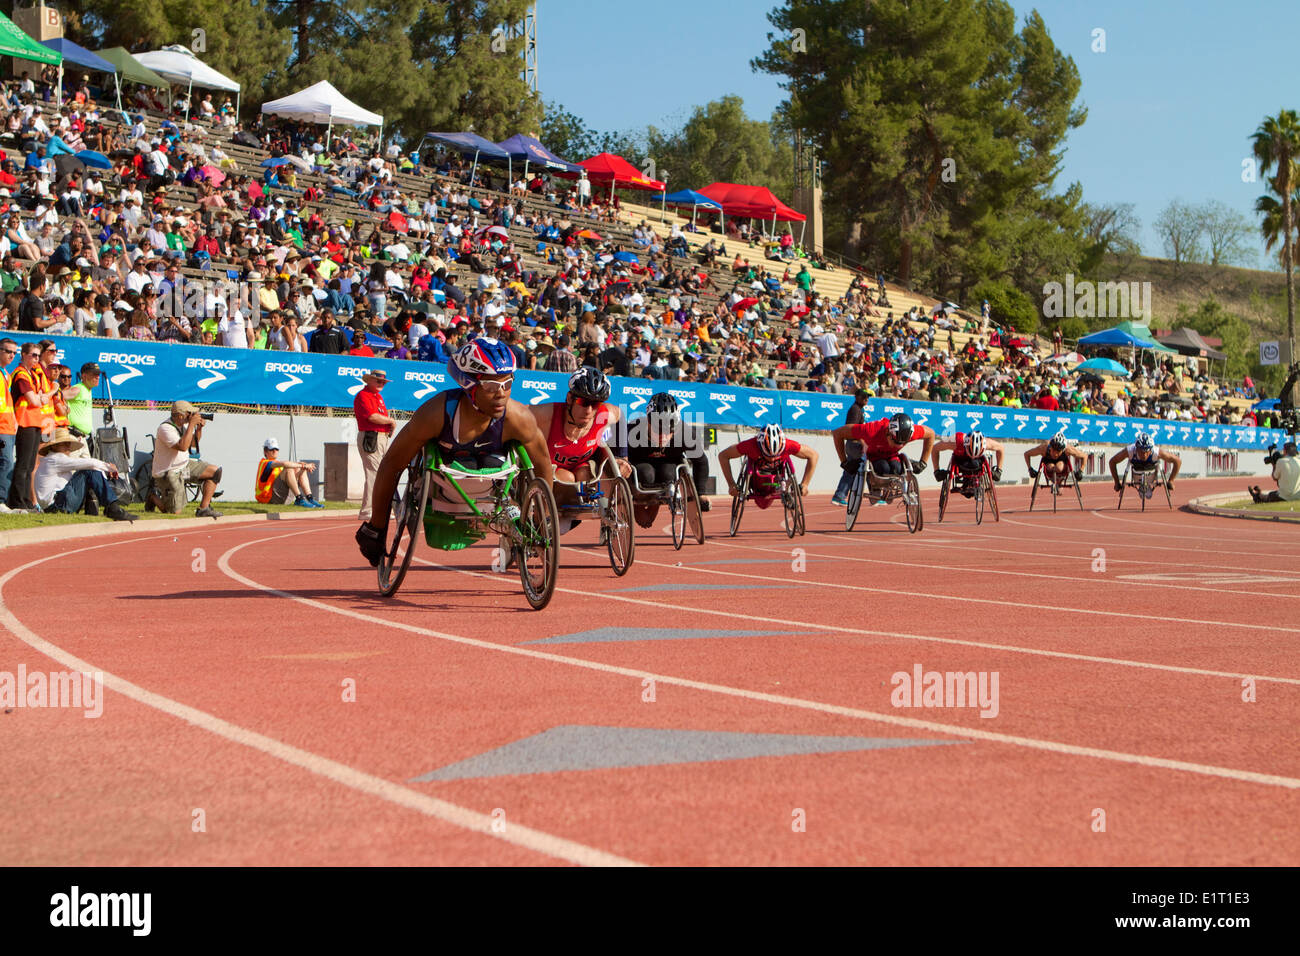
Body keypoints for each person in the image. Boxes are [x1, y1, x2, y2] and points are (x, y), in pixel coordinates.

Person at [355, 339, 555, 567]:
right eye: (490, 386)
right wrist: (377, 527)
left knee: (501, 461)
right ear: (468, 384)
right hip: (444, 483)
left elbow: (542, 462)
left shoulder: (518, 418)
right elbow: (392, 464)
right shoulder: (436, 413)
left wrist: (543, 518)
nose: (501, 394)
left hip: (493, 480)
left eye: (507, 383)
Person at [626, 392, 712, 527]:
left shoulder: (685, 433)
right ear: (648, 422)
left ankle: (657, 499)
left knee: (668, 473)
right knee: (646, 474)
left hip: (668, 466)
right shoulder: (632, 430)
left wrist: (701, 493)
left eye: (668, 431)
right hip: (639, 468)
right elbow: (613, 456)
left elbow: (701, 461)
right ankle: (645, 498)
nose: (663, 436)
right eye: (658, 430)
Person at [33, 427, 135, 520]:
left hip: (57, 504)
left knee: (88, 474)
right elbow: (89, 463)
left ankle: (95, 511)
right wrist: (109, 468)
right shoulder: (55, 459)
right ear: (54, 446)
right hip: (57, 505)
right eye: (64, 443)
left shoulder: (52, 460)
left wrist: (106, 472)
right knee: (88, 472)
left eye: (68, 443)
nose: (68, 446)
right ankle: (112, 508)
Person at [831, 413, 935, 504]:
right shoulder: (871, 430)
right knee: (883, 467)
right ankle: (875, 486)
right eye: (896, 442)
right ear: (889, 434)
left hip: (893, 457)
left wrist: (923, 462)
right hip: (874, 457)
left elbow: (931, 434)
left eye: (902, 443)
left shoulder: (908, 432)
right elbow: (837, 433)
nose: (898, 446)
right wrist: (844, 462)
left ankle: (889, 488)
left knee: (897, 468)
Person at [718, 423, 818, 510]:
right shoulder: (750, 445)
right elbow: (723, 456)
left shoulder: (788, 445)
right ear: (760, 446)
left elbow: (813, 455)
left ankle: (785, 485)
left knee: (783, 473)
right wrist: (731, 484)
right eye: (767, 455)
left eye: (776, 456)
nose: (772, 459)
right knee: (762, 501)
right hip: (757, 481)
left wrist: (805, 484)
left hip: (777, 479)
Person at [150, 400, 223, 517]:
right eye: (189, 413)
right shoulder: (165, 428)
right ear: (180, 415)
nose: (192, 416)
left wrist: (198, 429)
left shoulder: (183, 426)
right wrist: (191, 425)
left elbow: (193, 444)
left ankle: (204, 509)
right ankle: (153, 497)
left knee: (215, 472)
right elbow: (183, 447)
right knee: (173, 513)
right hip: (168, 473)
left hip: (184, 468)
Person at [6, 341, 56, 511]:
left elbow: (41, 397)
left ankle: (26, 500)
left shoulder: (31, 374)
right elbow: (35, 399)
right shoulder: (21, 374)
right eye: (33, 355)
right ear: (24, 355)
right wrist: (40, 397)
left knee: (29, 466)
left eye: (37, 355)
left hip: (35, 422)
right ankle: (17, 501)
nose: (36, 358)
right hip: (24, 422)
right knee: (23, 464)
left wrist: (41, 396)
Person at [353, 369, 395, 523]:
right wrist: (390, 421)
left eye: (383, 382)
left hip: (381, 437)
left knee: (380, 474)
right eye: (378, 381)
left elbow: (379, 416)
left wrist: (388, 423)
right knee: (374, 474)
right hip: (371, 436)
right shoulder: (363, 395)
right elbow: (372, 417)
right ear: (369, 381)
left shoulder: (378, 397)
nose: (381, 384)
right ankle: (368, 510)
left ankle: (376, 509)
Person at [931, 430, 1005, 495]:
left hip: (977, 463)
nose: (972, 457)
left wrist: (999, 470)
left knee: (977, 463)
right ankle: (967, 482)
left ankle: (975, 481)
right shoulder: (956, 441)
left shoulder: (987, 443)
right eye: (971, 454)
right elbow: (935, 448)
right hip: (960, 461)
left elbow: (1001, 448)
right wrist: (936, 471)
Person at [830, 388, 871, 506]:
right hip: (854, 444)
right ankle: (876, 494)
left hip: (853, 444)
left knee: (851, 470)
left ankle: (840, 495)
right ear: (857, 397)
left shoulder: (858, 410)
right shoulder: (855, 410)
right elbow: (851, 429)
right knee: (868, 466)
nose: (866, 399)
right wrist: (862, 442)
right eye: (864, 397)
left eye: (867, 397)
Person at [1109, 431, 1180, 498]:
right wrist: (1117, 482)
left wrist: (1171, 480)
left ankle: (1147, 486)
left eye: (1147, 451)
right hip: (1136, 476)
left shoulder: (1156, 451)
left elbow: (1177, 461)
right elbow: (1112, 461)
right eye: (1141, 451)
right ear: (1136, 448)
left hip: (1151, 476)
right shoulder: (1130, 450)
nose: (1144, 454)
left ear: (1151, 449)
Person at [255, 437, 322, 507]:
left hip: (283, 497)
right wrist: (304, 465)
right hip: (268, 499)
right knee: (289, 469)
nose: (274, 451)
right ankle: (299, 499)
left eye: (276, 449)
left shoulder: (277, 464)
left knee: (300, 468)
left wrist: (304, 465)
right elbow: (285, 464)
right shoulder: (265, 463)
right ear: (265, 451)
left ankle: (310, 498)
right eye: (271, 449)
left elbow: (290, 464)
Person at [0, 337, 17, 510]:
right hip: (2, 428)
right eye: (8, 351)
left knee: (6, 462)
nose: (11, 355)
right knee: (6, 462)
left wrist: (14, 421)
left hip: (9, 427)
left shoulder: (6, 374)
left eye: (14, 352)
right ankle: (1, 500)